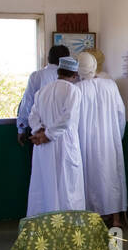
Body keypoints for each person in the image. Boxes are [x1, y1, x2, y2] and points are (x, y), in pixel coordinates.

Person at [27, 56, 85, 216]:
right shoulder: (73, 90)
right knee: (67, 187)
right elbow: (68, 118)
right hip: (64, 144)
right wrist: (48, 135)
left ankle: (45, 230)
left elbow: (33, 116)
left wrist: (39, 131)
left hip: (44, 146)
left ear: (59, 71)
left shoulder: (42, 91)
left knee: (45, 185)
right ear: (74, 75)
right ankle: (67, 230)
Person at [75, 52, 128, 227]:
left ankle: (92, 218)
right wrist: (117, 137)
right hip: (110, 140)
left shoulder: (77, 89)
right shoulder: (110, 85)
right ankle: (115, 218)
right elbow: (121, 113)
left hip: (85, 141)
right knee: (112, 178)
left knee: (89, 179)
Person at [16, 44, 70, 146]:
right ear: (67, 60)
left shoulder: (37, 76)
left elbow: (27, 103)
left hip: (40, 129)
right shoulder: (72, 79)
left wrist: (21, 128)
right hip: (64, 132)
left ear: (48, 58)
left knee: (42, 160)